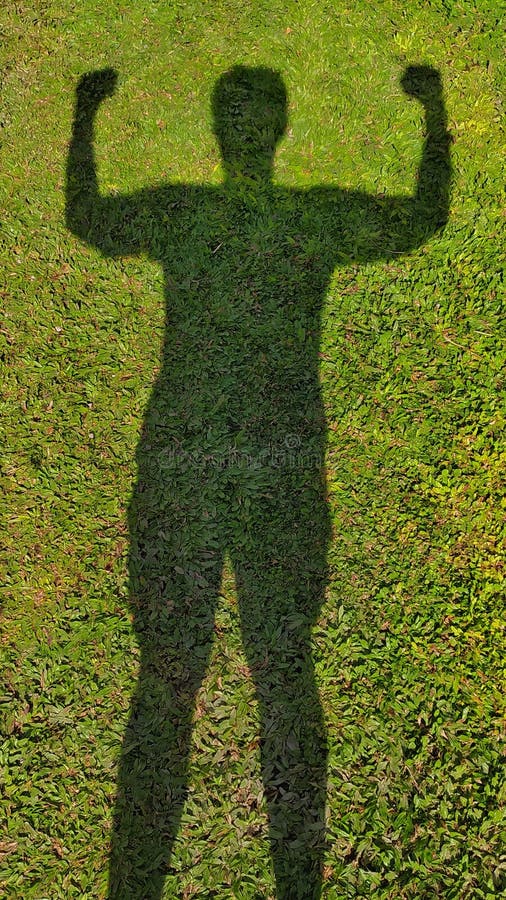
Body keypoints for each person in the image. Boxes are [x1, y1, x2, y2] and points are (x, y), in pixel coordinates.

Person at [66, 64, 451, 899]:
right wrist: (433, 112)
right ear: (279, 132)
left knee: (169, 676)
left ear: (222, 132)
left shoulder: (187, 213)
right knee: (282, 665)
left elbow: (87, 218)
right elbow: (424, 217)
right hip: (281, 462)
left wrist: (85, 116)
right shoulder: (310, 217)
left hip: (184, 457)